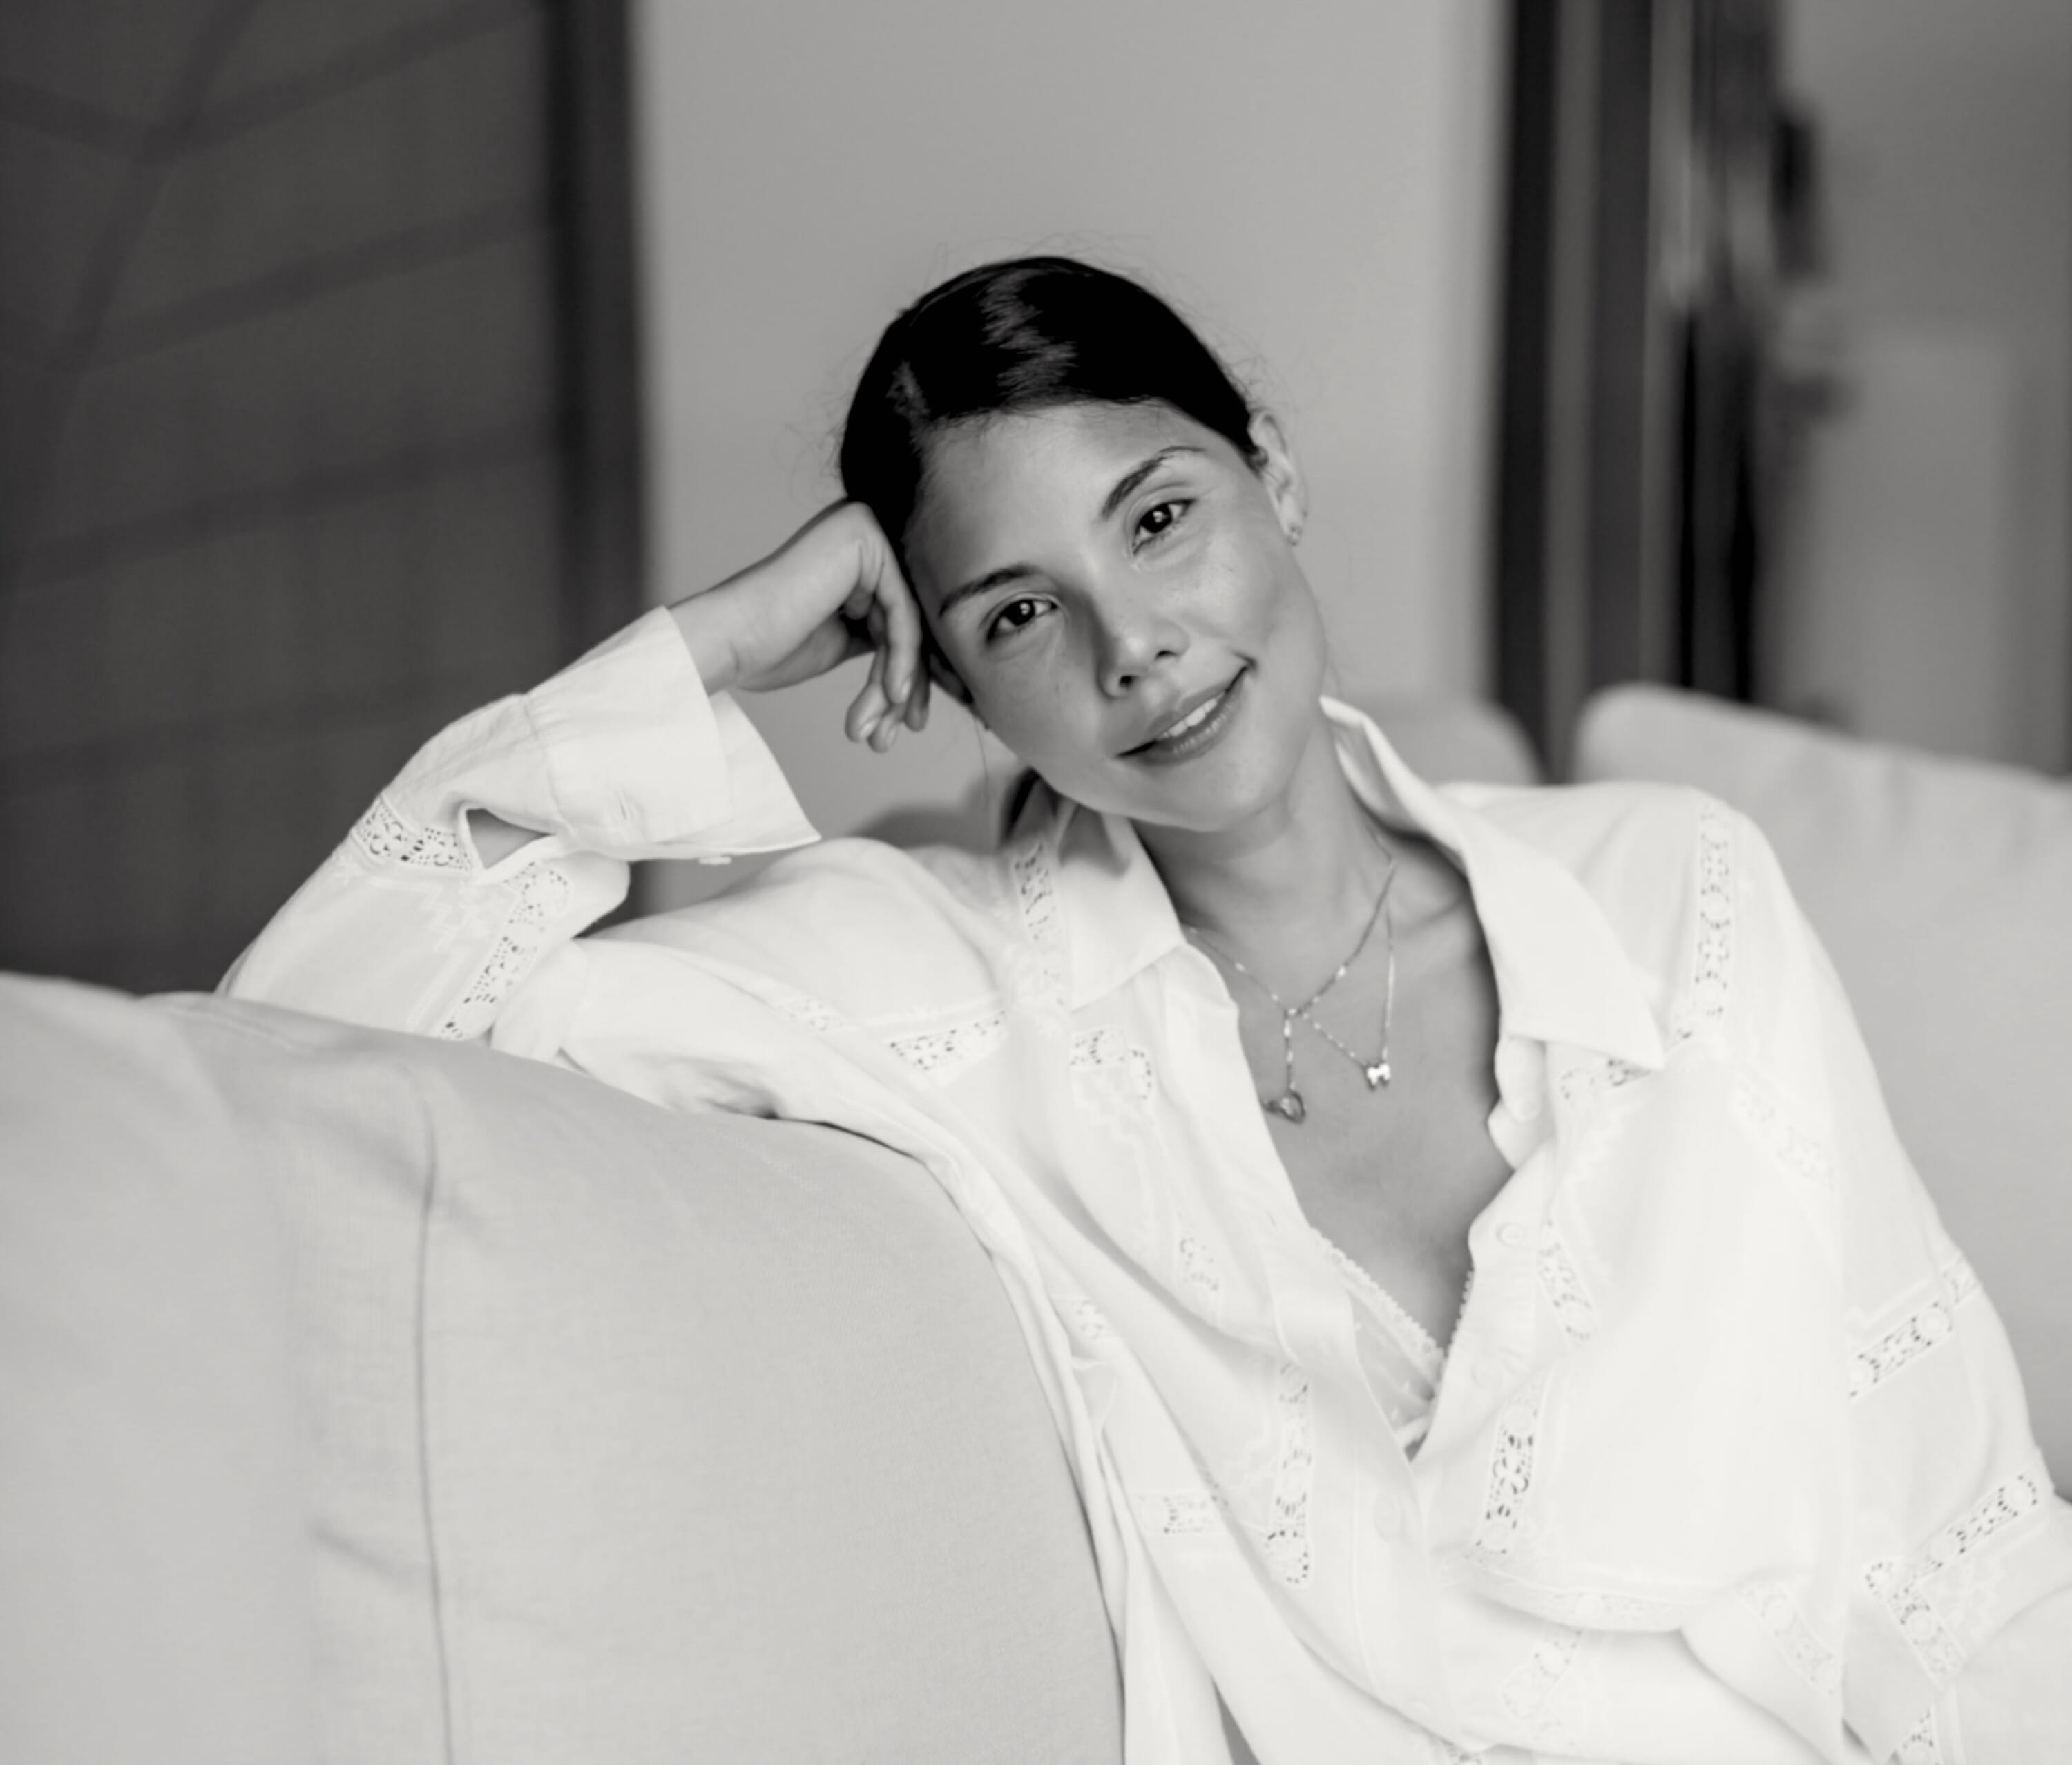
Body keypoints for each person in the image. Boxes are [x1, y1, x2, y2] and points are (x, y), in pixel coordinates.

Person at [226, 256, 2070, 1764]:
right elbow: (299, 1062)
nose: (1136, 647)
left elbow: (1968, 1556)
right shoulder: (929, 984)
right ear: (951, 685)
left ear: (1277, 478)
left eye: (1162, 519)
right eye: (1019, 616)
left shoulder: (1674, 898)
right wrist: (712, 645)